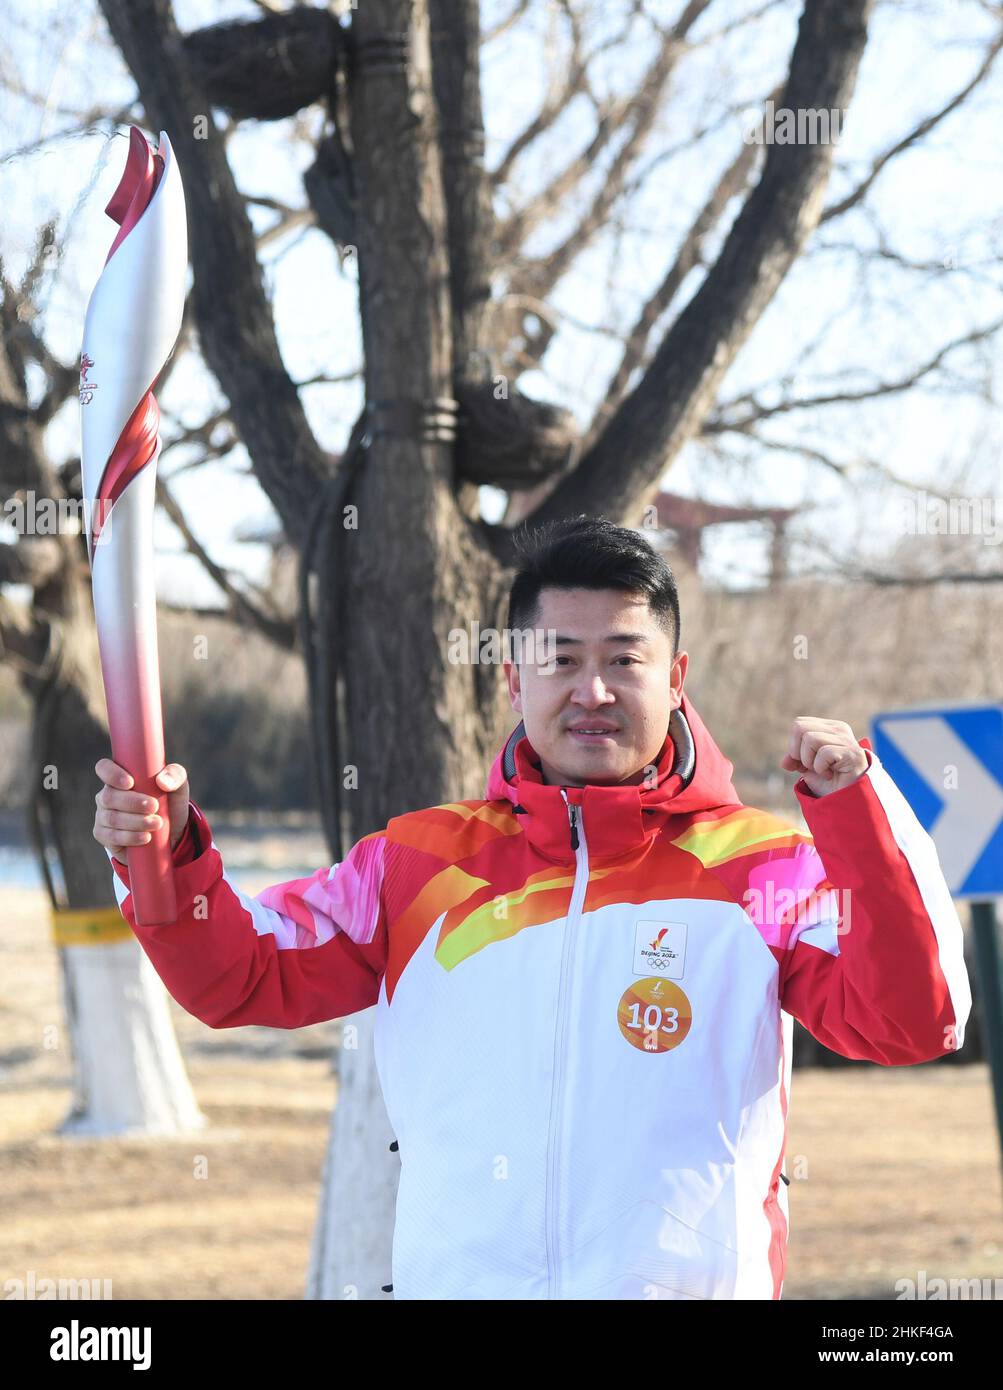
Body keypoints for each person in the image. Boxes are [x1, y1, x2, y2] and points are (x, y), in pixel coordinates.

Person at [93, 516, 972, 1300]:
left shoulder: (761, 869)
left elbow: (910, 1020)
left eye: (624, 660)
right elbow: (238, 978)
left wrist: (856, 816)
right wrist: (163, 854)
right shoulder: (415, 863)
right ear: (514, 679)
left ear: (676, 679)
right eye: (560, 660)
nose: (591, 691)